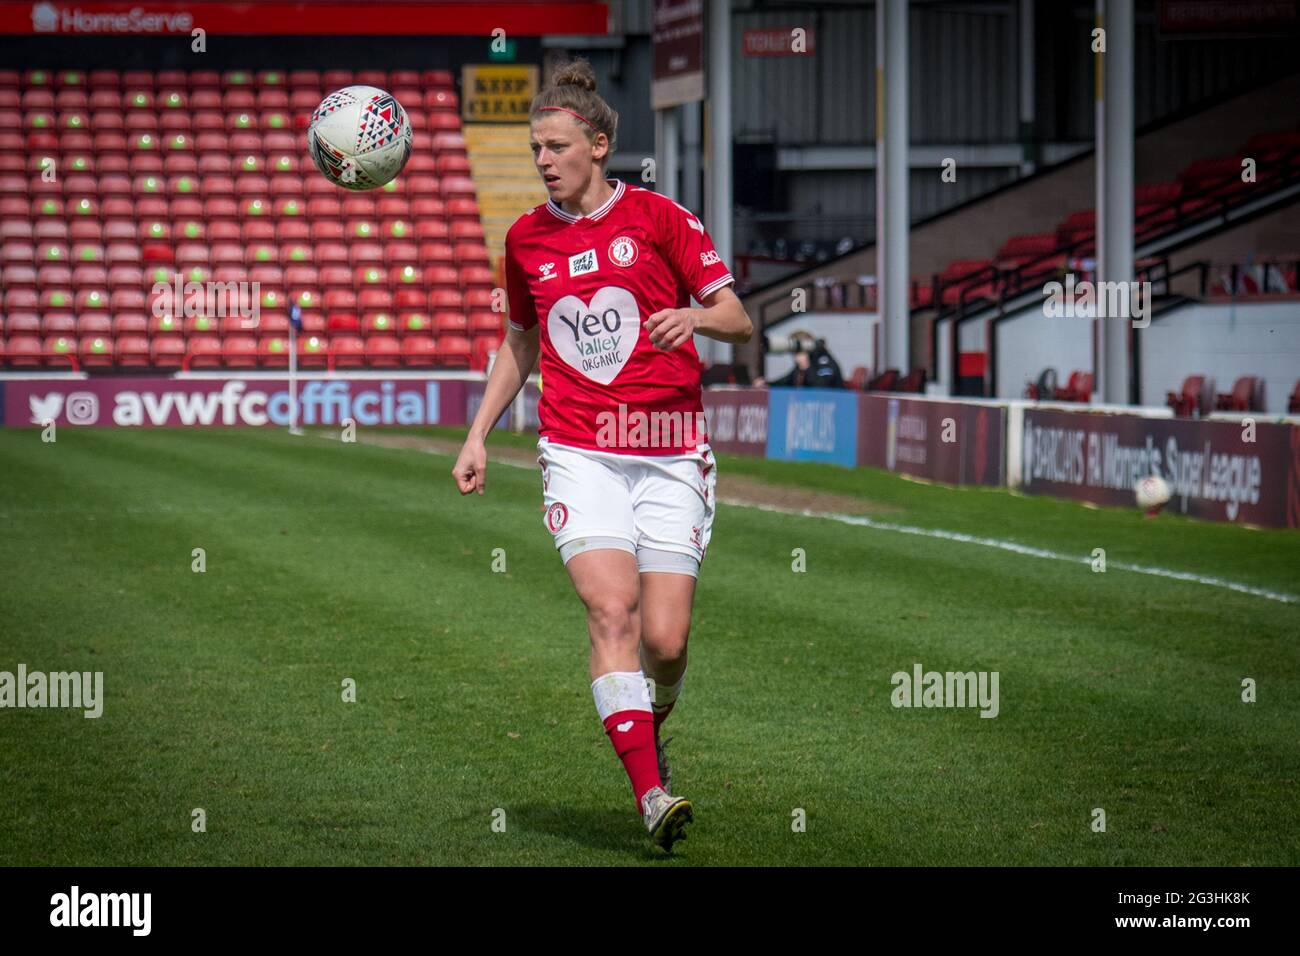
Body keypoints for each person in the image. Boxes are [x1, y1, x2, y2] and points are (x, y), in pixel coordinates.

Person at [451, 58, 753, 852]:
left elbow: (739, 319)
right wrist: (480, 431)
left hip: (669, 449)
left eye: (556, 146)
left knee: (666, 641)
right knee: (609, 610)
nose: (544, 161)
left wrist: (695, 318)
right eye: (535, 149)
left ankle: (650, 725)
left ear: (600, 143)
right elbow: (521, 340)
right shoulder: (524, 239)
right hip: (580, 450)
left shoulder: (661, 219)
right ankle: (650, 793)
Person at [754, 337, 844, 388]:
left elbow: (822, 388)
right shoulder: (810, 361)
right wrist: (768, 384)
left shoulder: (825, 362)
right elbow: (787, 381)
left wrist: (807, 367)